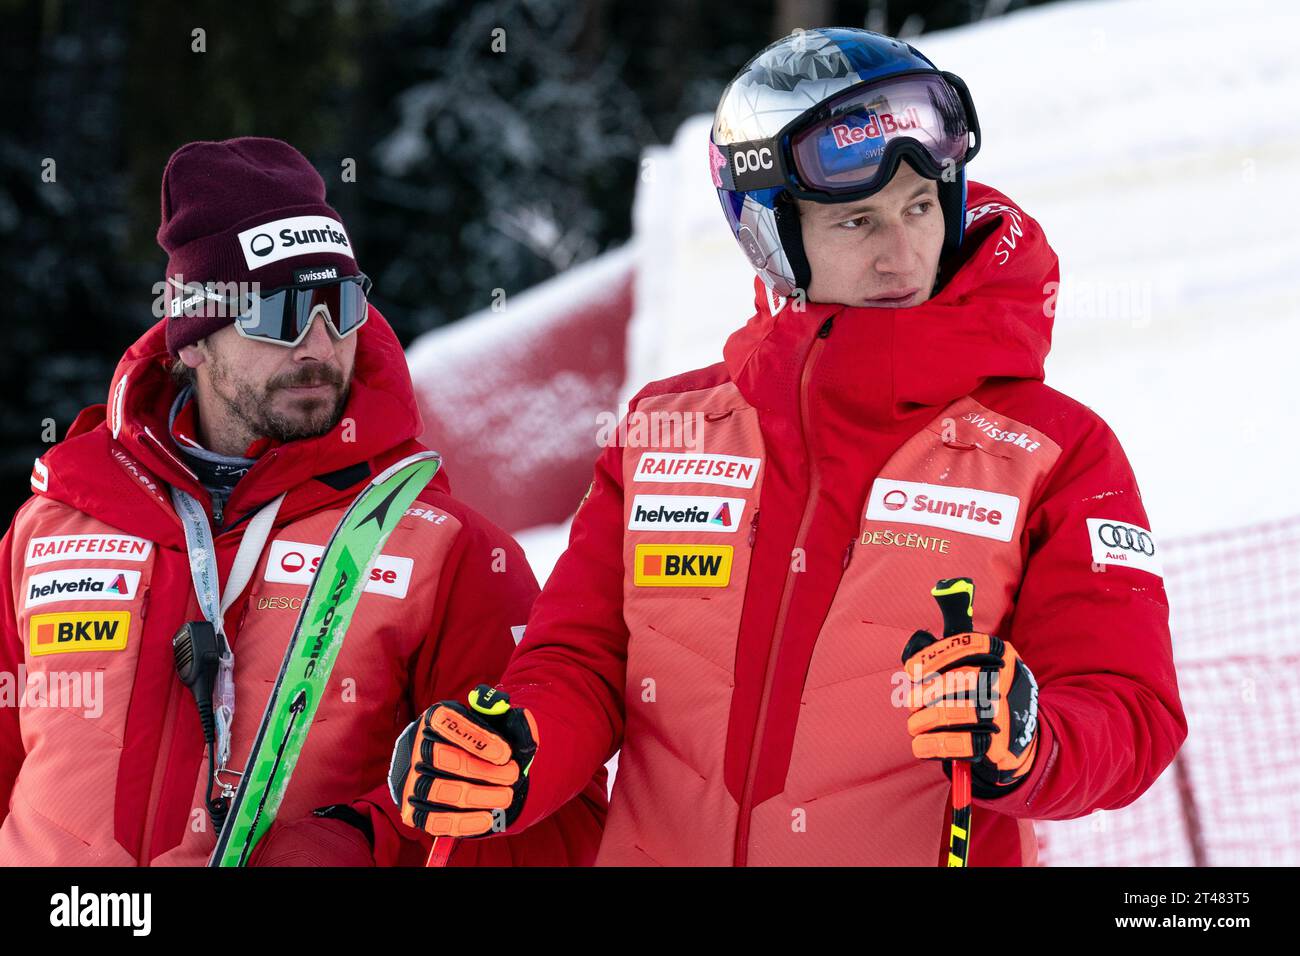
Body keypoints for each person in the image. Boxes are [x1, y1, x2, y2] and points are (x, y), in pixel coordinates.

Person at [389, 29, 1186, 866]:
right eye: (855, 220)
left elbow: (1129, 709)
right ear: (771, 237)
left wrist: (1029, 740)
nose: (901, 250)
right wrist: (515, 751)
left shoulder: (1057, 451)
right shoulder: (666, 429)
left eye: (921, 206)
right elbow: (583, 661)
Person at [0, 136, 606, 866]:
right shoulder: (57, 522)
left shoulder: (440, 549)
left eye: (340, 305)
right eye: (280, 313)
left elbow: (549, 827)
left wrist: (362, 841)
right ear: (192, 339)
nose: (319, 344)